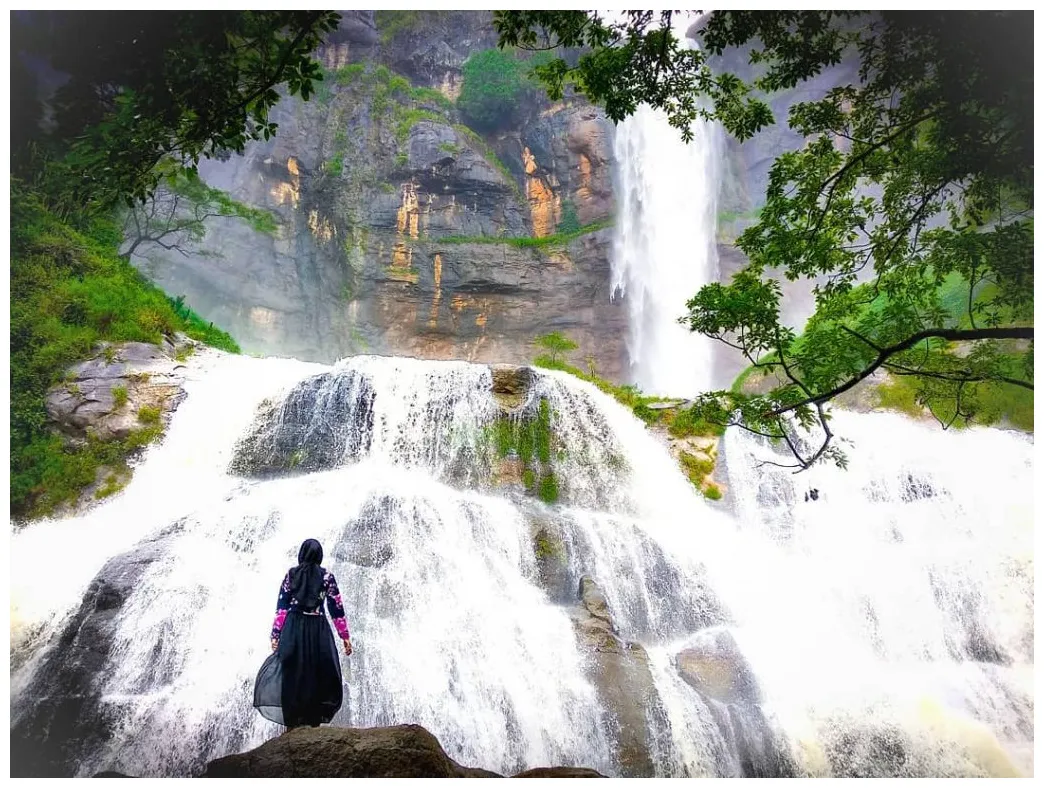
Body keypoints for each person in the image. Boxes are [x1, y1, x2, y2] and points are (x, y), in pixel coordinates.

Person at [253, 538, 352, 728]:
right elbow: (336, 608)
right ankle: (313, 720)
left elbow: (282, 608)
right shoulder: (327, 577)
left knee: (292, 670)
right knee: (316, 671)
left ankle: (292, 720)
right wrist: (344, 636)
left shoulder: (291, 575)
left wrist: (275, 635)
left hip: (293, 628)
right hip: (318, 629)